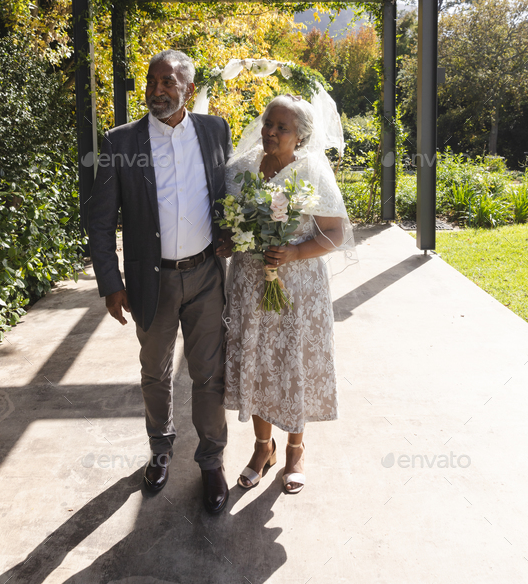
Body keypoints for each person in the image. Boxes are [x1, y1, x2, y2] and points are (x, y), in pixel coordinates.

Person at [88, 49, 232, 514]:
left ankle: (211, 462)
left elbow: (226, 192)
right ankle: (160, 449)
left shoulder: (215, 130)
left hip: (207, 274)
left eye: (167, 82)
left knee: (209, 374)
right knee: (155, 372)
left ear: (188, 88)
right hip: (154, 282)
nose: (156, 90)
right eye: (151, 82)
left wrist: (232, 234)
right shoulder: (121, 141)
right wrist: (111, 281)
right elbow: (100, 219)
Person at [222, 92, 353, 495]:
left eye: (282, 128)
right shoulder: (240, 169)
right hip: (249, 285)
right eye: (268, 124)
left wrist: (294, 250)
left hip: (298, 288)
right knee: (257, 363)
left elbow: (336, 233)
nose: (271, 132)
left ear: (301, 136)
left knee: (292, 364)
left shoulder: (312, 171)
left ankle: (296, 450)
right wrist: (230, 238)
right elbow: (227, 219)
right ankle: (264, 449)